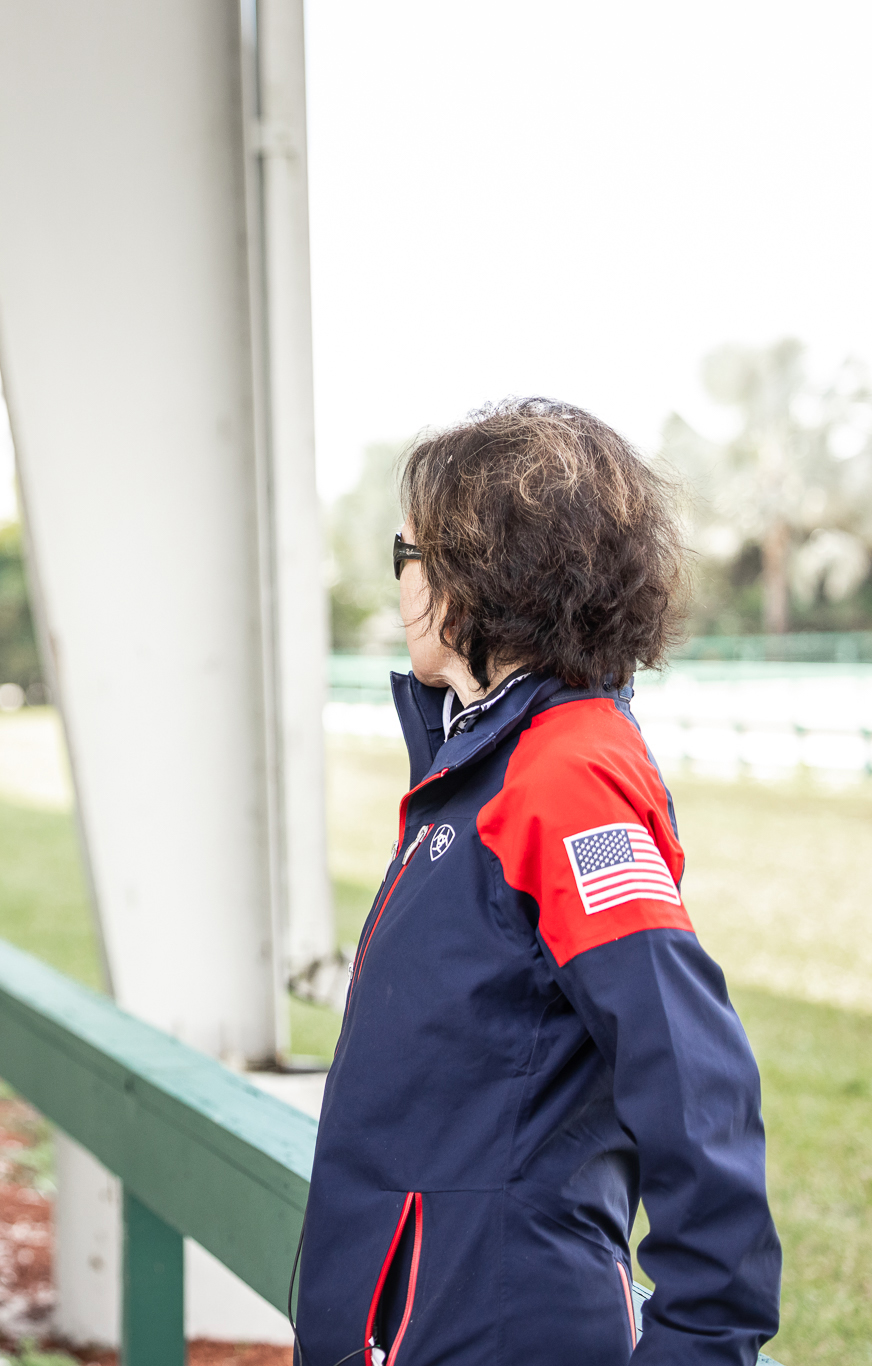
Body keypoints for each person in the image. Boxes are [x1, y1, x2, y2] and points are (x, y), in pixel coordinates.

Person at [293, 400, 779, 1365]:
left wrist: (703, 1339)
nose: (401, 584)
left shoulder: (562, 778)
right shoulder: (487, 760)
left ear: (479, 576)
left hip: (497, 1318)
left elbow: (689, 1066)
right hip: (430, 1310)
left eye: (408, 554)